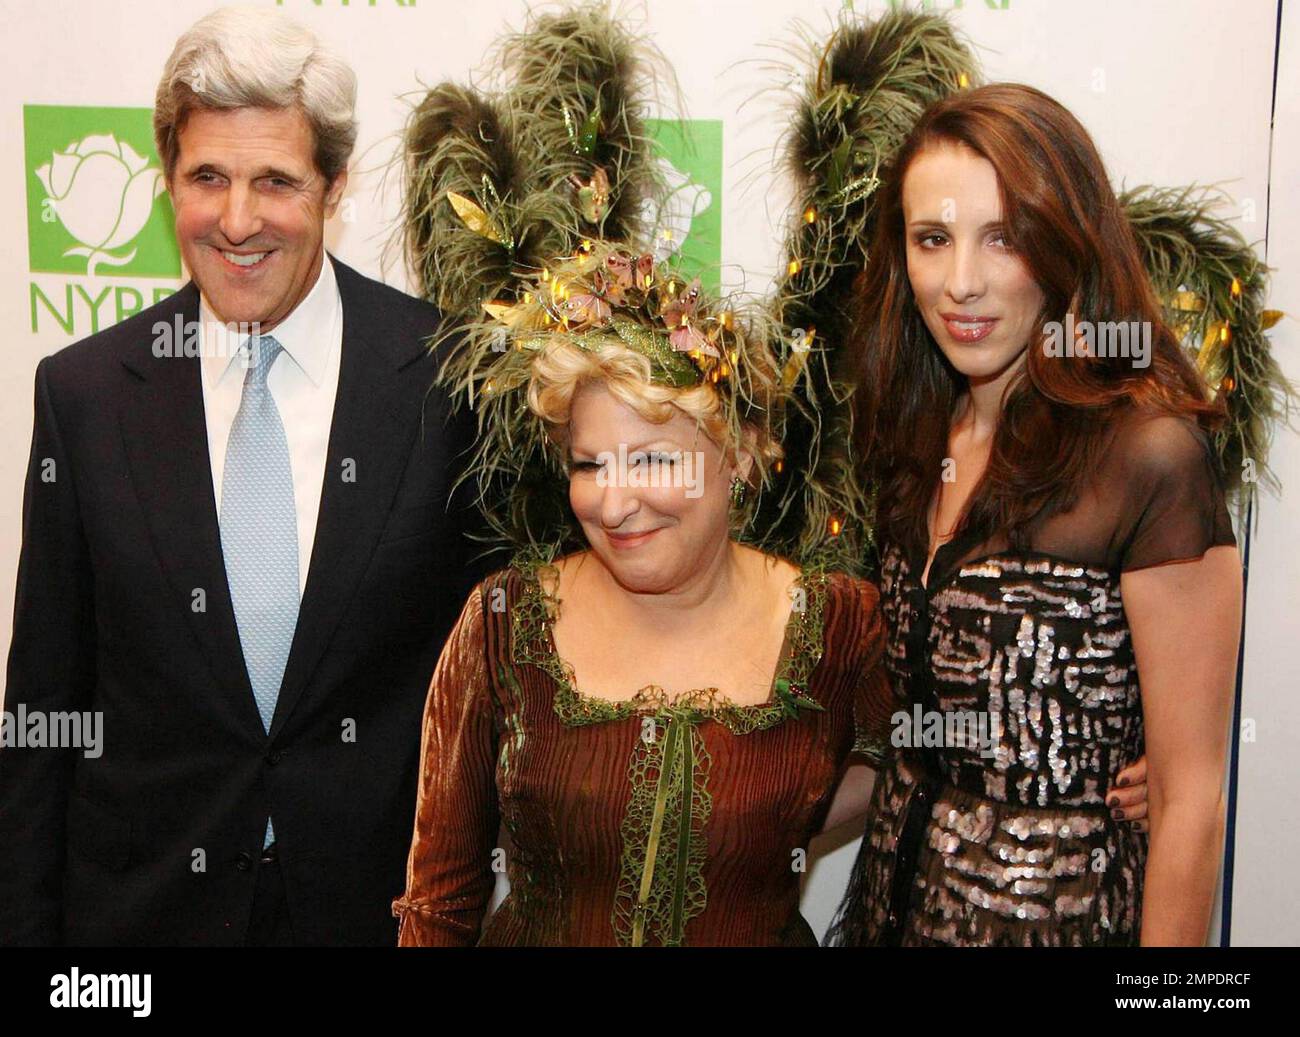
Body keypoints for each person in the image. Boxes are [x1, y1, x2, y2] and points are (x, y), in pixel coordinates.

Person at [0, 7, 485, 946]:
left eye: (276, 181)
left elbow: (489, 693)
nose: (237, 220)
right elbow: (44, 717)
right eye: (207, 177)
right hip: (139, 928)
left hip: (375, 919)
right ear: (168, 182)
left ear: (335, 186)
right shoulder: (85, 396)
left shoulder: (445, 381)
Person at [826, 83, 1240, 947]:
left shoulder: (1147, 456)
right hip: (891, 907)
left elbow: (1192, 799)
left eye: (1003, 237)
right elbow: (918, 711)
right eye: (932, 240)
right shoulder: (915, 430)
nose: (961, 283)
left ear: (1062, 242)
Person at [391, 243, 894, 946]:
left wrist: (791, 812)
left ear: (739, 454)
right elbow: (438, 904)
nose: (616, 502)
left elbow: (938, 772)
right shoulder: (503, 622)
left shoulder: (840, 625)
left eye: (654, 460)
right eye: (590, 462)